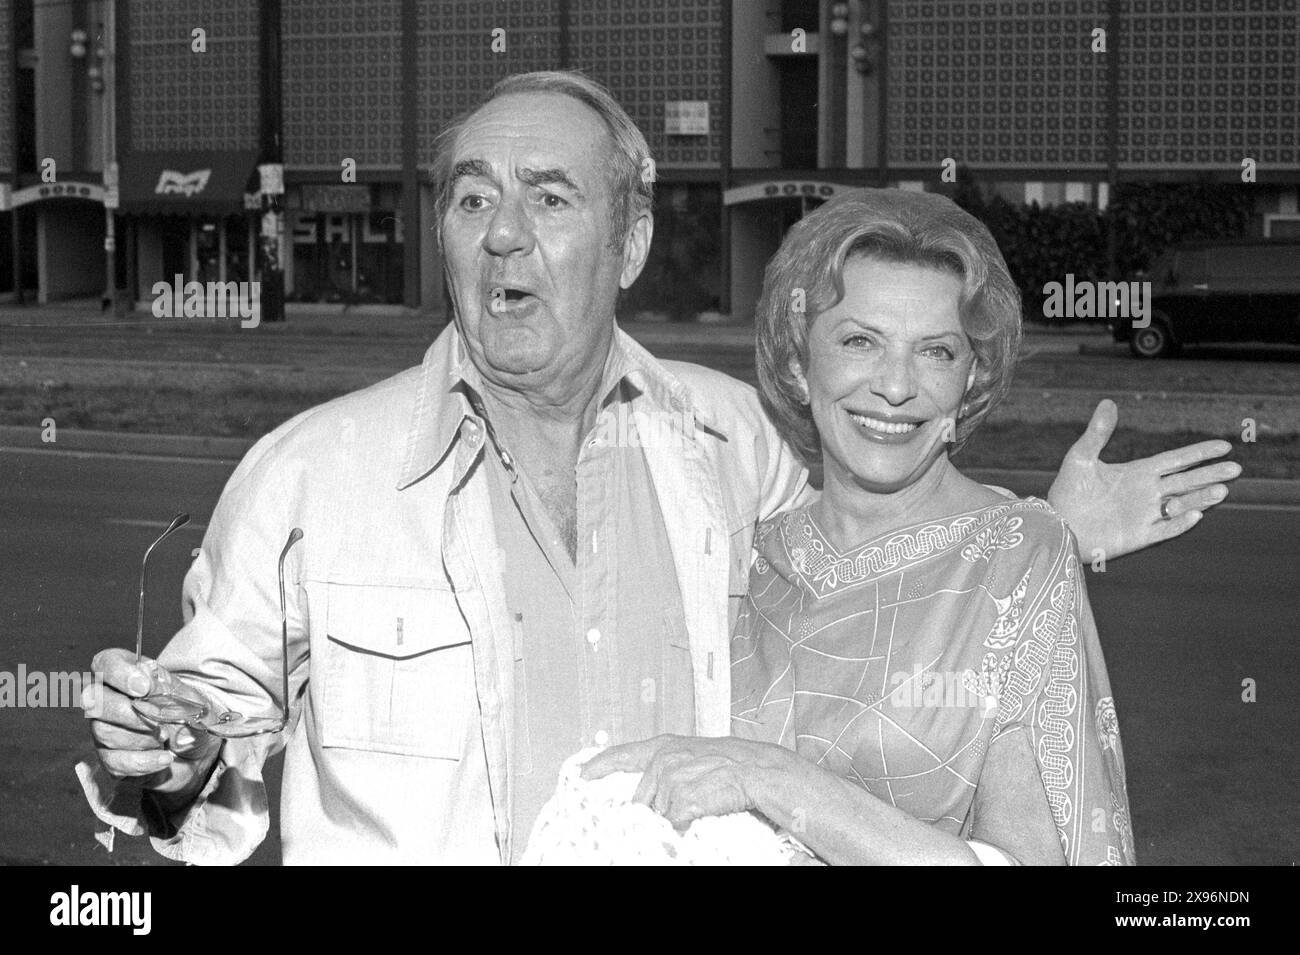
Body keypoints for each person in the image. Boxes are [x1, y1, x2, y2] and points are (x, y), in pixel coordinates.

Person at [79, 71, 1237, 864]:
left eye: (549, 197)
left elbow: (892, 567)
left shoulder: (733, 449)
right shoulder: (306, 474)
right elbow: (202, 740)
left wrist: (1042, 529)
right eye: (472, 195)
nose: (502, 234)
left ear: (630, 239)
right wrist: (175, 758)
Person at [583, 190, 1135, 864]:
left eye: (936, 352)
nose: (896, 386)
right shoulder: (743, 553)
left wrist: (770, 776)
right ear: (796, 362)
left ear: (971, 378)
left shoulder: (1024, 561)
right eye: (859, 341)